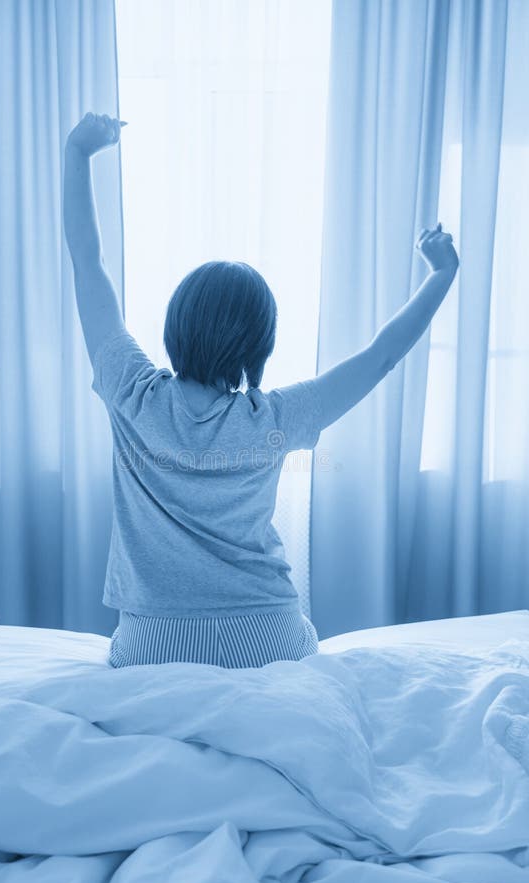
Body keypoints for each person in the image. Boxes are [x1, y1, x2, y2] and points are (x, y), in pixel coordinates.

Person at [63, 112, 459, 668]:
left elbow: (88, 264)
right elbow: (383, 355)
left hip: (154, 638)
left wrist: (77, 154)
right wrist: (440, 275)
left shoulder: (133, 394)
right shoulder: (275, 418)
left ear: (176, 325)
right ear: (260, 347)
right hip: (266, 633)